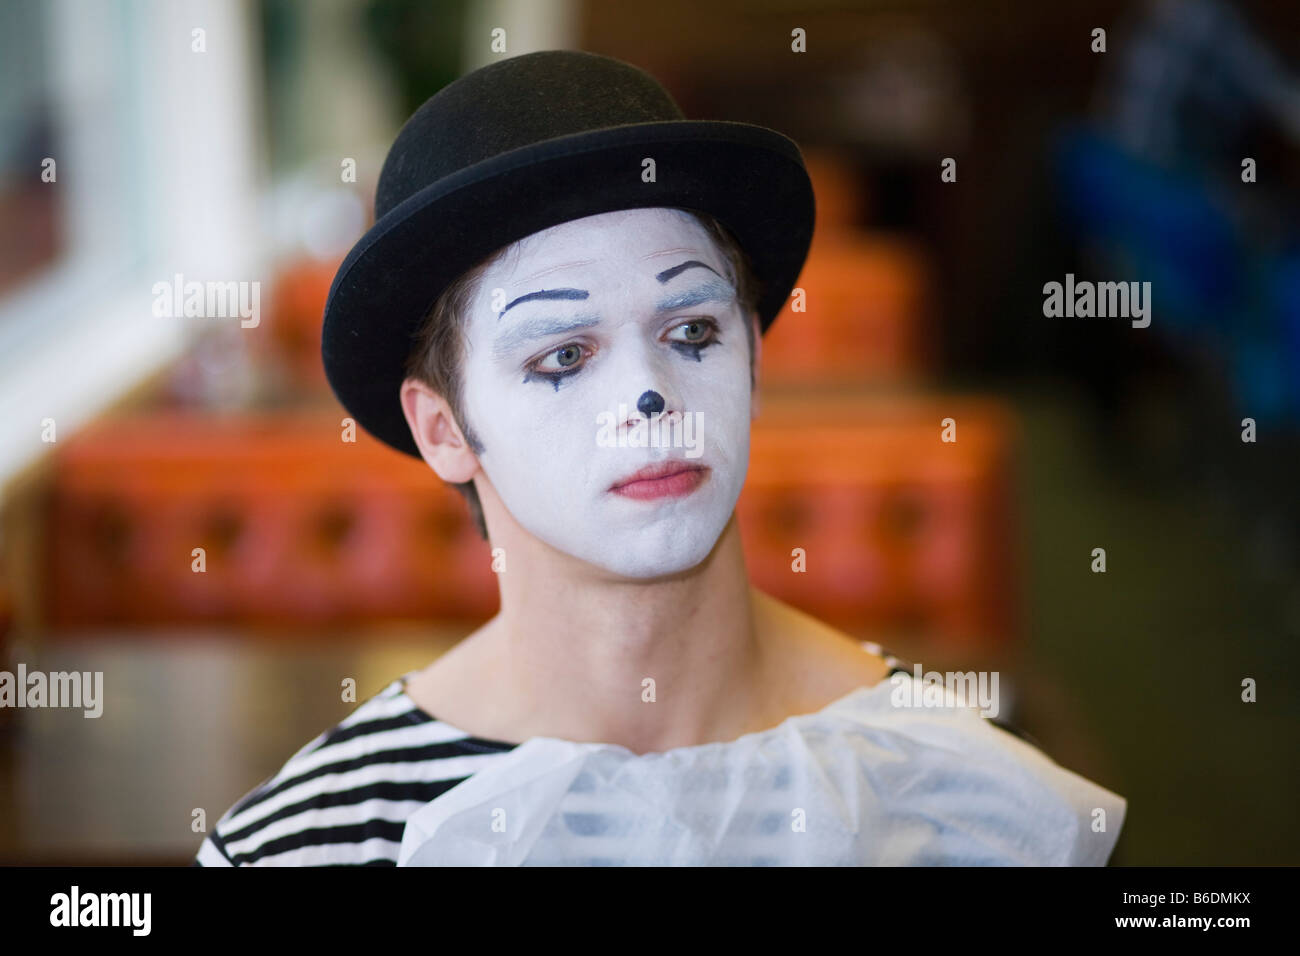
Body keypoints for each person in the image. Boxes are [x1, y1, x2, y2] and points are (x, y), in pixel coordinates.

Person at [195, 49, 1125, 867]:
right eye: (562, 355)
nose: (652, 402)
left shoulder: (972, 808)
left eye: (691, 330)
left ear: (754, 361)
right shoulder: (309, 842)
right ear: (443, 430)